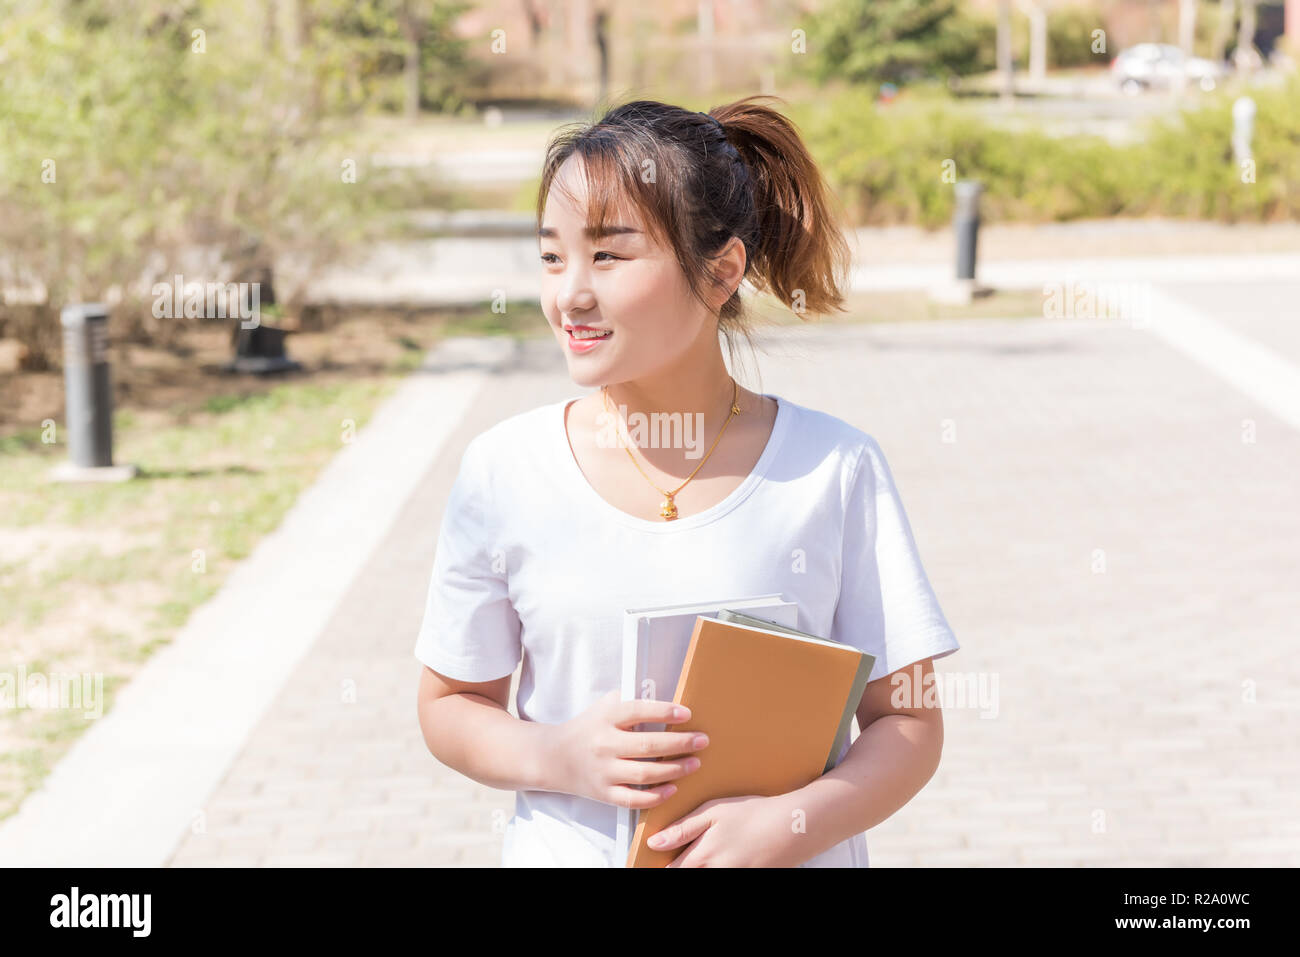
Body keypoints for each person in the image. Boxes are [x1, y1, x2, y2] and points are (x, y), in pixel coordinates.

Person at [414, 96, 960, 867]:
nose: (570, 293)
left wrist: (794, 822)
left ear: (722, 269)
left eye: (607, 255)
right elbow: (450, 704)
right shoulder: (504, 472)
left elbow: (909, 724)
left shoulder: (834, 469)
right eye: (551, 256)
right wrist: (562, 757)